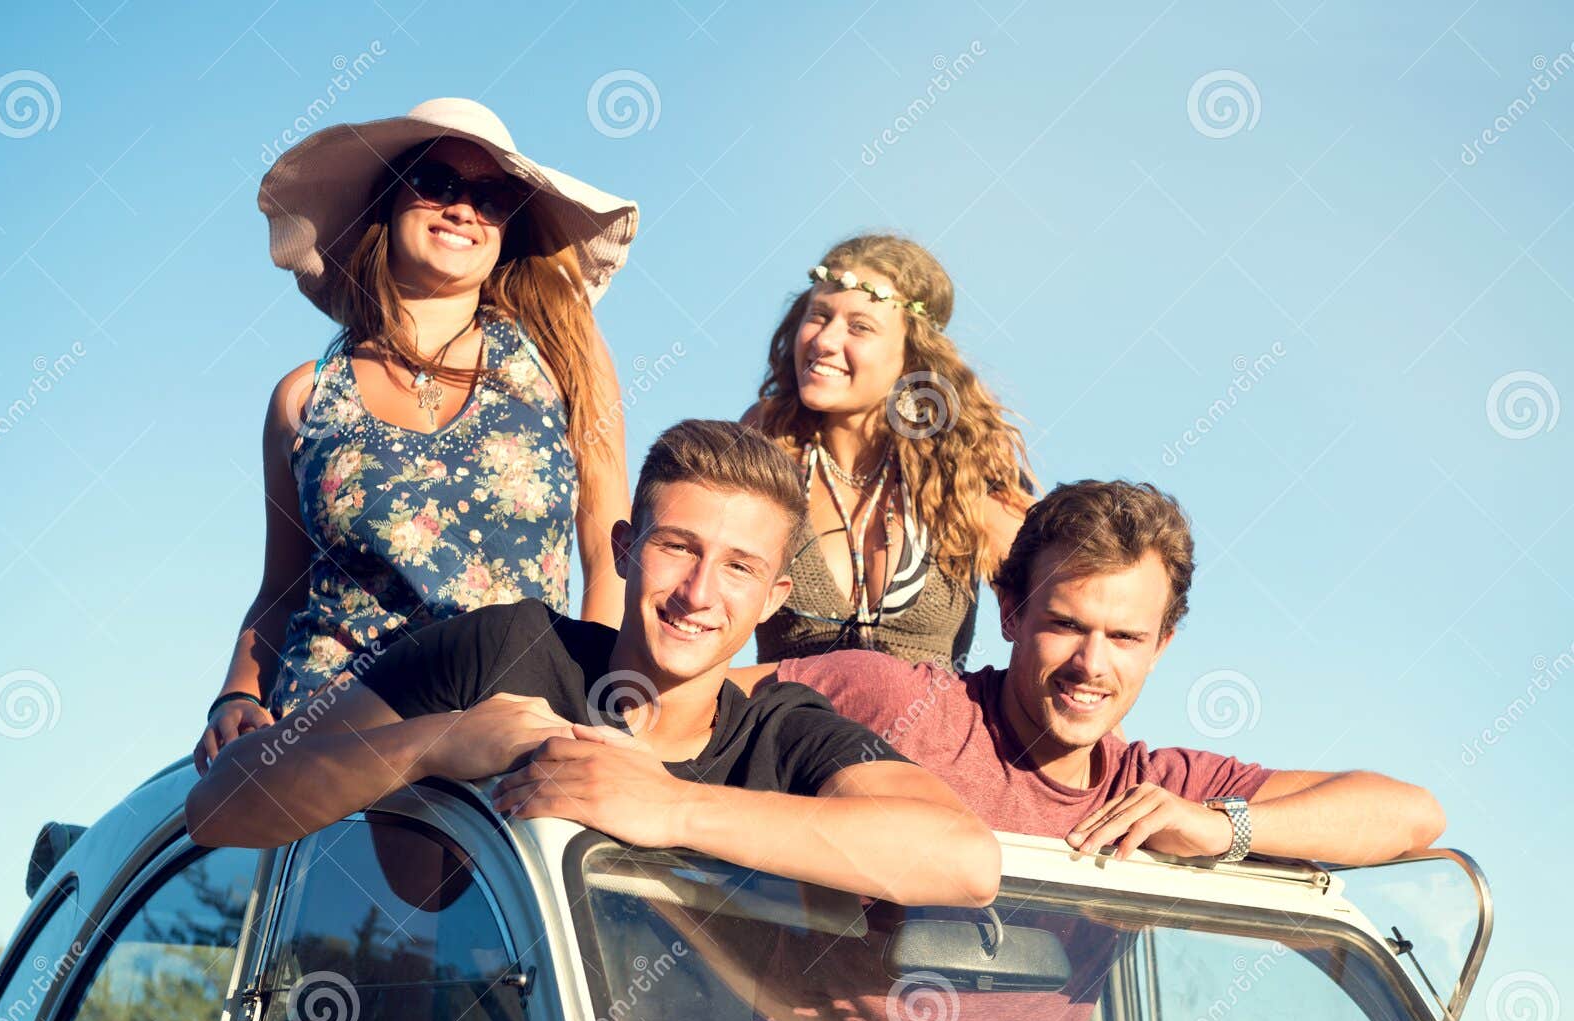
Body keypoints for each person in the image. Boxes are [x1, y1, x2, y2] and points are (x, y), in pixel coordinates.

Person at [730, 479, 1446, 1021]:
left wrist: (1221, 826)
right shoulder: (894, 701)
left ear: (1162, 645)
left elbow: (1410, 814)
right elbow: (678, 706)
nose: (1091, 666)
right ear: (1011, 612)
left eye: (1126, 637)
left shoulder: (1154, 787)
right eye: (1067, 625)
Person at [185, 421, 1000, 909]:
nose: (698, 594)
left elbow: (965, 862)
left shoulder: (787, 736)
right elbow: (221, 806)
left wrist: (669, 808)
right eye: (678, 548)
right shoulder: (503, 650)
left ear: (775, 597)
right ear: (624, 548)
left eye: (739, 568)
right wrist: (436, 745)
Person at [194, 98, 636, 772]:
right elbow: (282, 590)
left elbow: (611, 557)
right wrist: (234, 696)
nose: (464, 209)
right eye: (436, 184)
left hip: (511, 722)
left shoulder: (562, 357)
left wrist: (595, 706)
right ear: (389, 205)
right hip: (335, 738)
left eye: (492, 198)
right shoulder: (303, 398)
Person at [743, 233, 1037, 669]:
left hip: (925, 732)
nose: (824, 341)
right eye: (819, 315)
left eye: (859, 327)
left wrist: (1102, 739)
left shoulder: (963, 466)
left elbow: (1068, 609)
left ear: (912, 355)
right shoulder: (767, 439)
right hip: (781, 730)